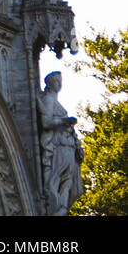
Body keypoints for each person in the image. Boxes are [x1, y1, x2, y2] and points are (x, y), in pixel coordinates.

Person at [37, 71, 84, 215]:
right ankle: (54, 210)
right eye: (56, 81)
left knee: (70, 186)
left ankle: (61, 210)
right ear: (49, 84)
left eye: (60, 80)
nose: (59, 83)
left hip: (69, 147)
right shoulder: (49, 99)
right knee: (55, 182)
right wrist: (65, 121)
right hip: (59, 147)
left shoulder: (56, 101)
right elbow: (46, 123)